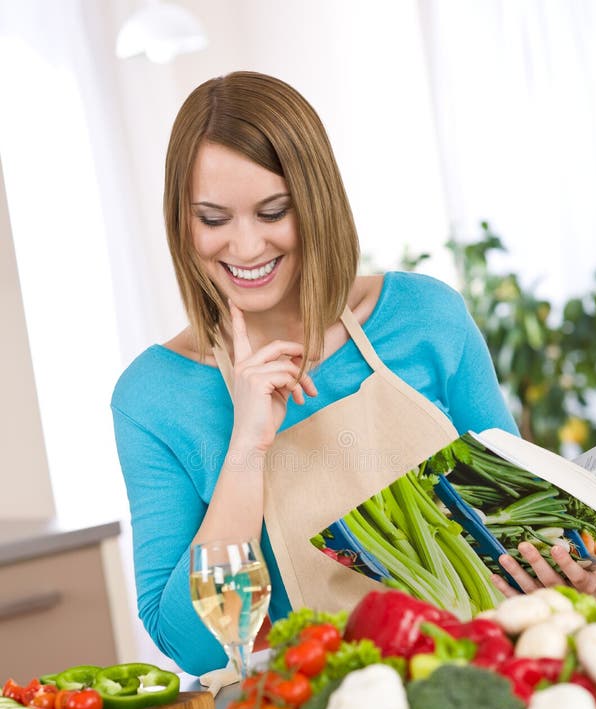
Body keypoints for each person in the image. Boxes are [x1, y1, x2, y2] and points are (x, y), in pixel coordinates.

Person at [111, 71, 520, 676]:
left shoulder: (425, 317)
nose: (246, 247)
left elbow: (523, 524)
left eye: (273, 212)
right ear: (181, 221)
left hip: (495, 682)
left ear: (316, 201)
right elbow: (195, 647)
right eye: (213, 219)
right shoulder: (155, 395)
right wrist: (247, 444)